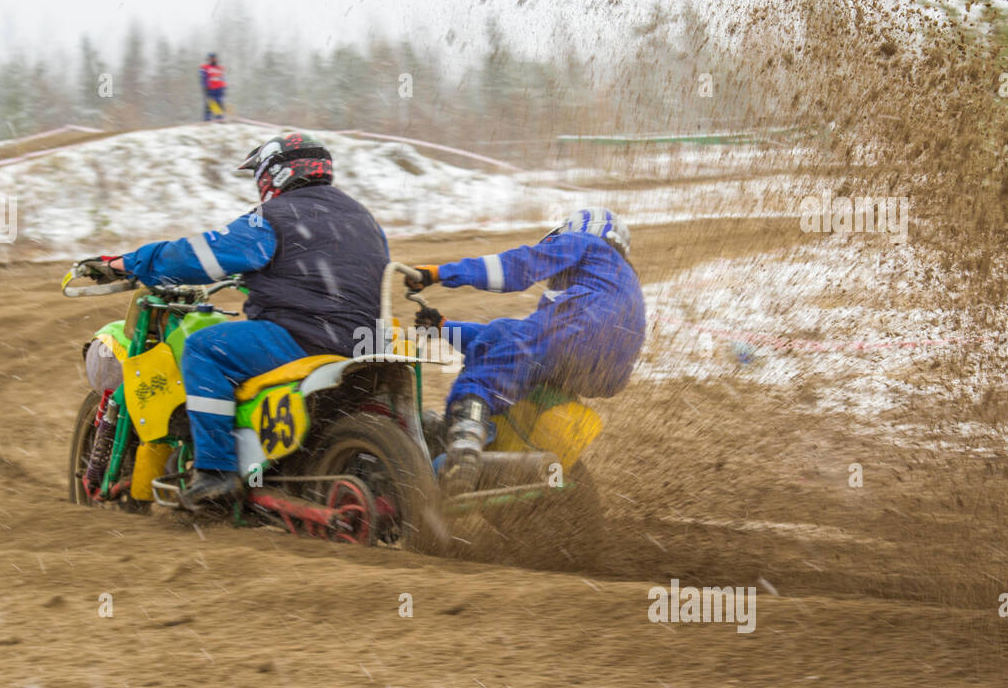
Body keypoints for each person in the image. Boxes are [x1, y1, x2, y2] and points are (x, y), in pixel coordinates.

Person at [80, 131, 390, 506]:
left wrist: (128, 263)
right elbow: (325, 274)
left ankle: (215, 471)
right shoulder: (363, 218)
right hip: (363, 341)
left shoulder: (274, 217)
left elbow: (197, 255)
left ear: (274, 174)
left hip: (304, 337)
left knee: (204, 348)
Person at [405, 208, 646, 495]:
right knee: (507, 340)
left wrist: (441, 272)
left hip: (580, 328)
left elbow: (518, 267)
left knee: (484, 377)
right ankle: (527, 456)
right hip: (610, 370)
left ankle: (465, 446)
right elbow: (502, 337)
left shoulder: (586, 243)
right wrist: (444, 327)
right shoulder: (623, 280)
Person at [199, 53, 227, 121]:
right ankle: (207, 118)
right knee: (210, 103)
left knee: (219, 103)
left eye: (214, 58)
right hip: (210, 88)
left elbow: (222, 78)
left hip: (219, 89)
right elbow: (203, 77)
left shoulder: (220, 68)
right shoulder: (205, 67)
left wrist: (224, 87)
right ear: (209, 59)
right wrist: (205, 86)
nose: (213, 59)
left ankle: (219, 117)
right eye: (211, 58)